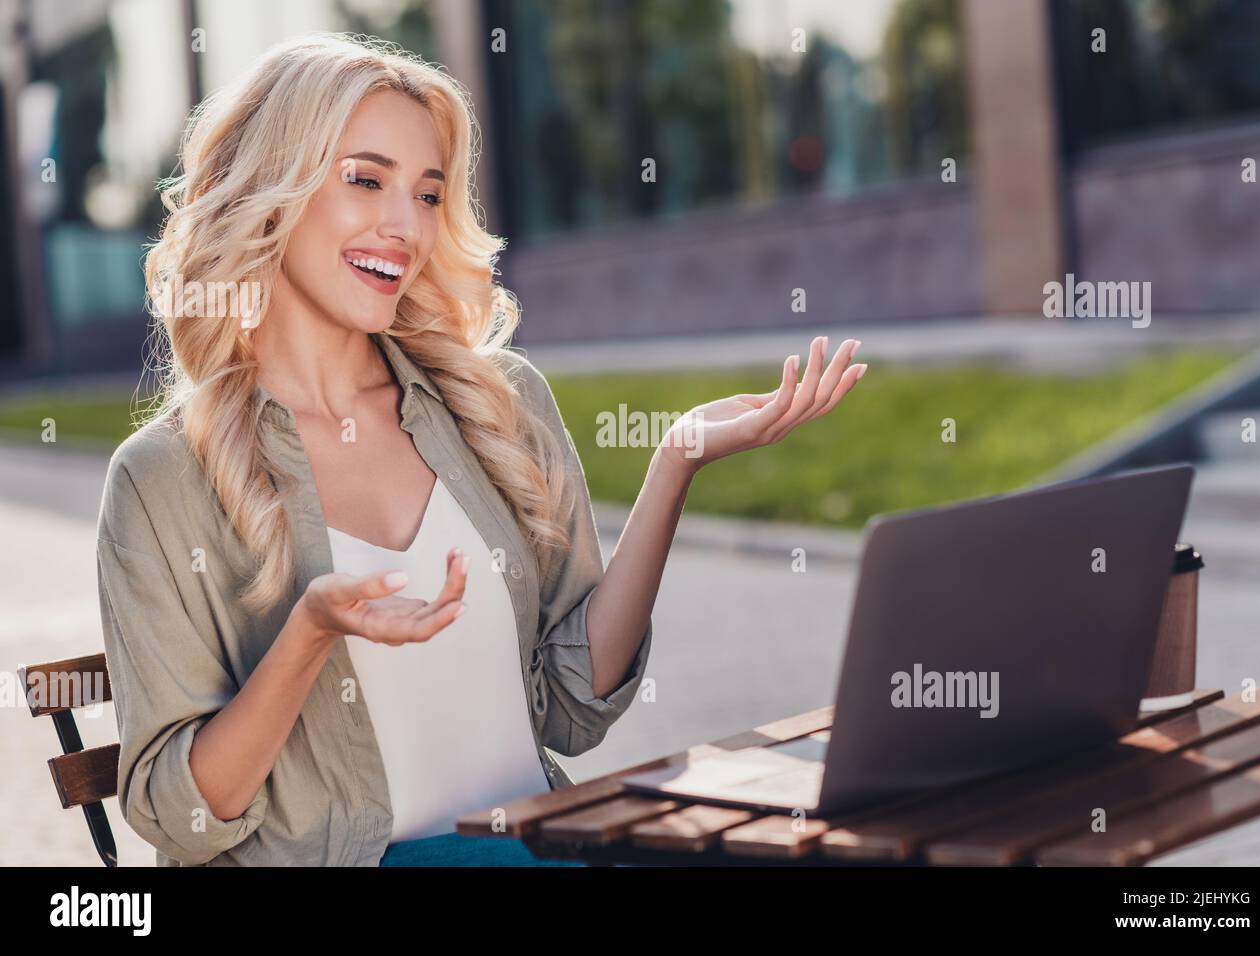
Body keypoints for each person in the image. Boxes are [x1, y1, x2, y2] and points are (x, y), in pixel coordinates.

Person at [95, 33, 868, 867]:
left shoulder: (494, 404)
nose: (405, 226)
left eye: (429, 195)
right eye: (366, 180)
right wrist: (309, 633)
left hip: (538, 849)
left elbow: (573, 708)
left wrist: (674, 461)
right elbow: (183, 818)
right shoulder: (162, 479)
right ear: (270, 195)